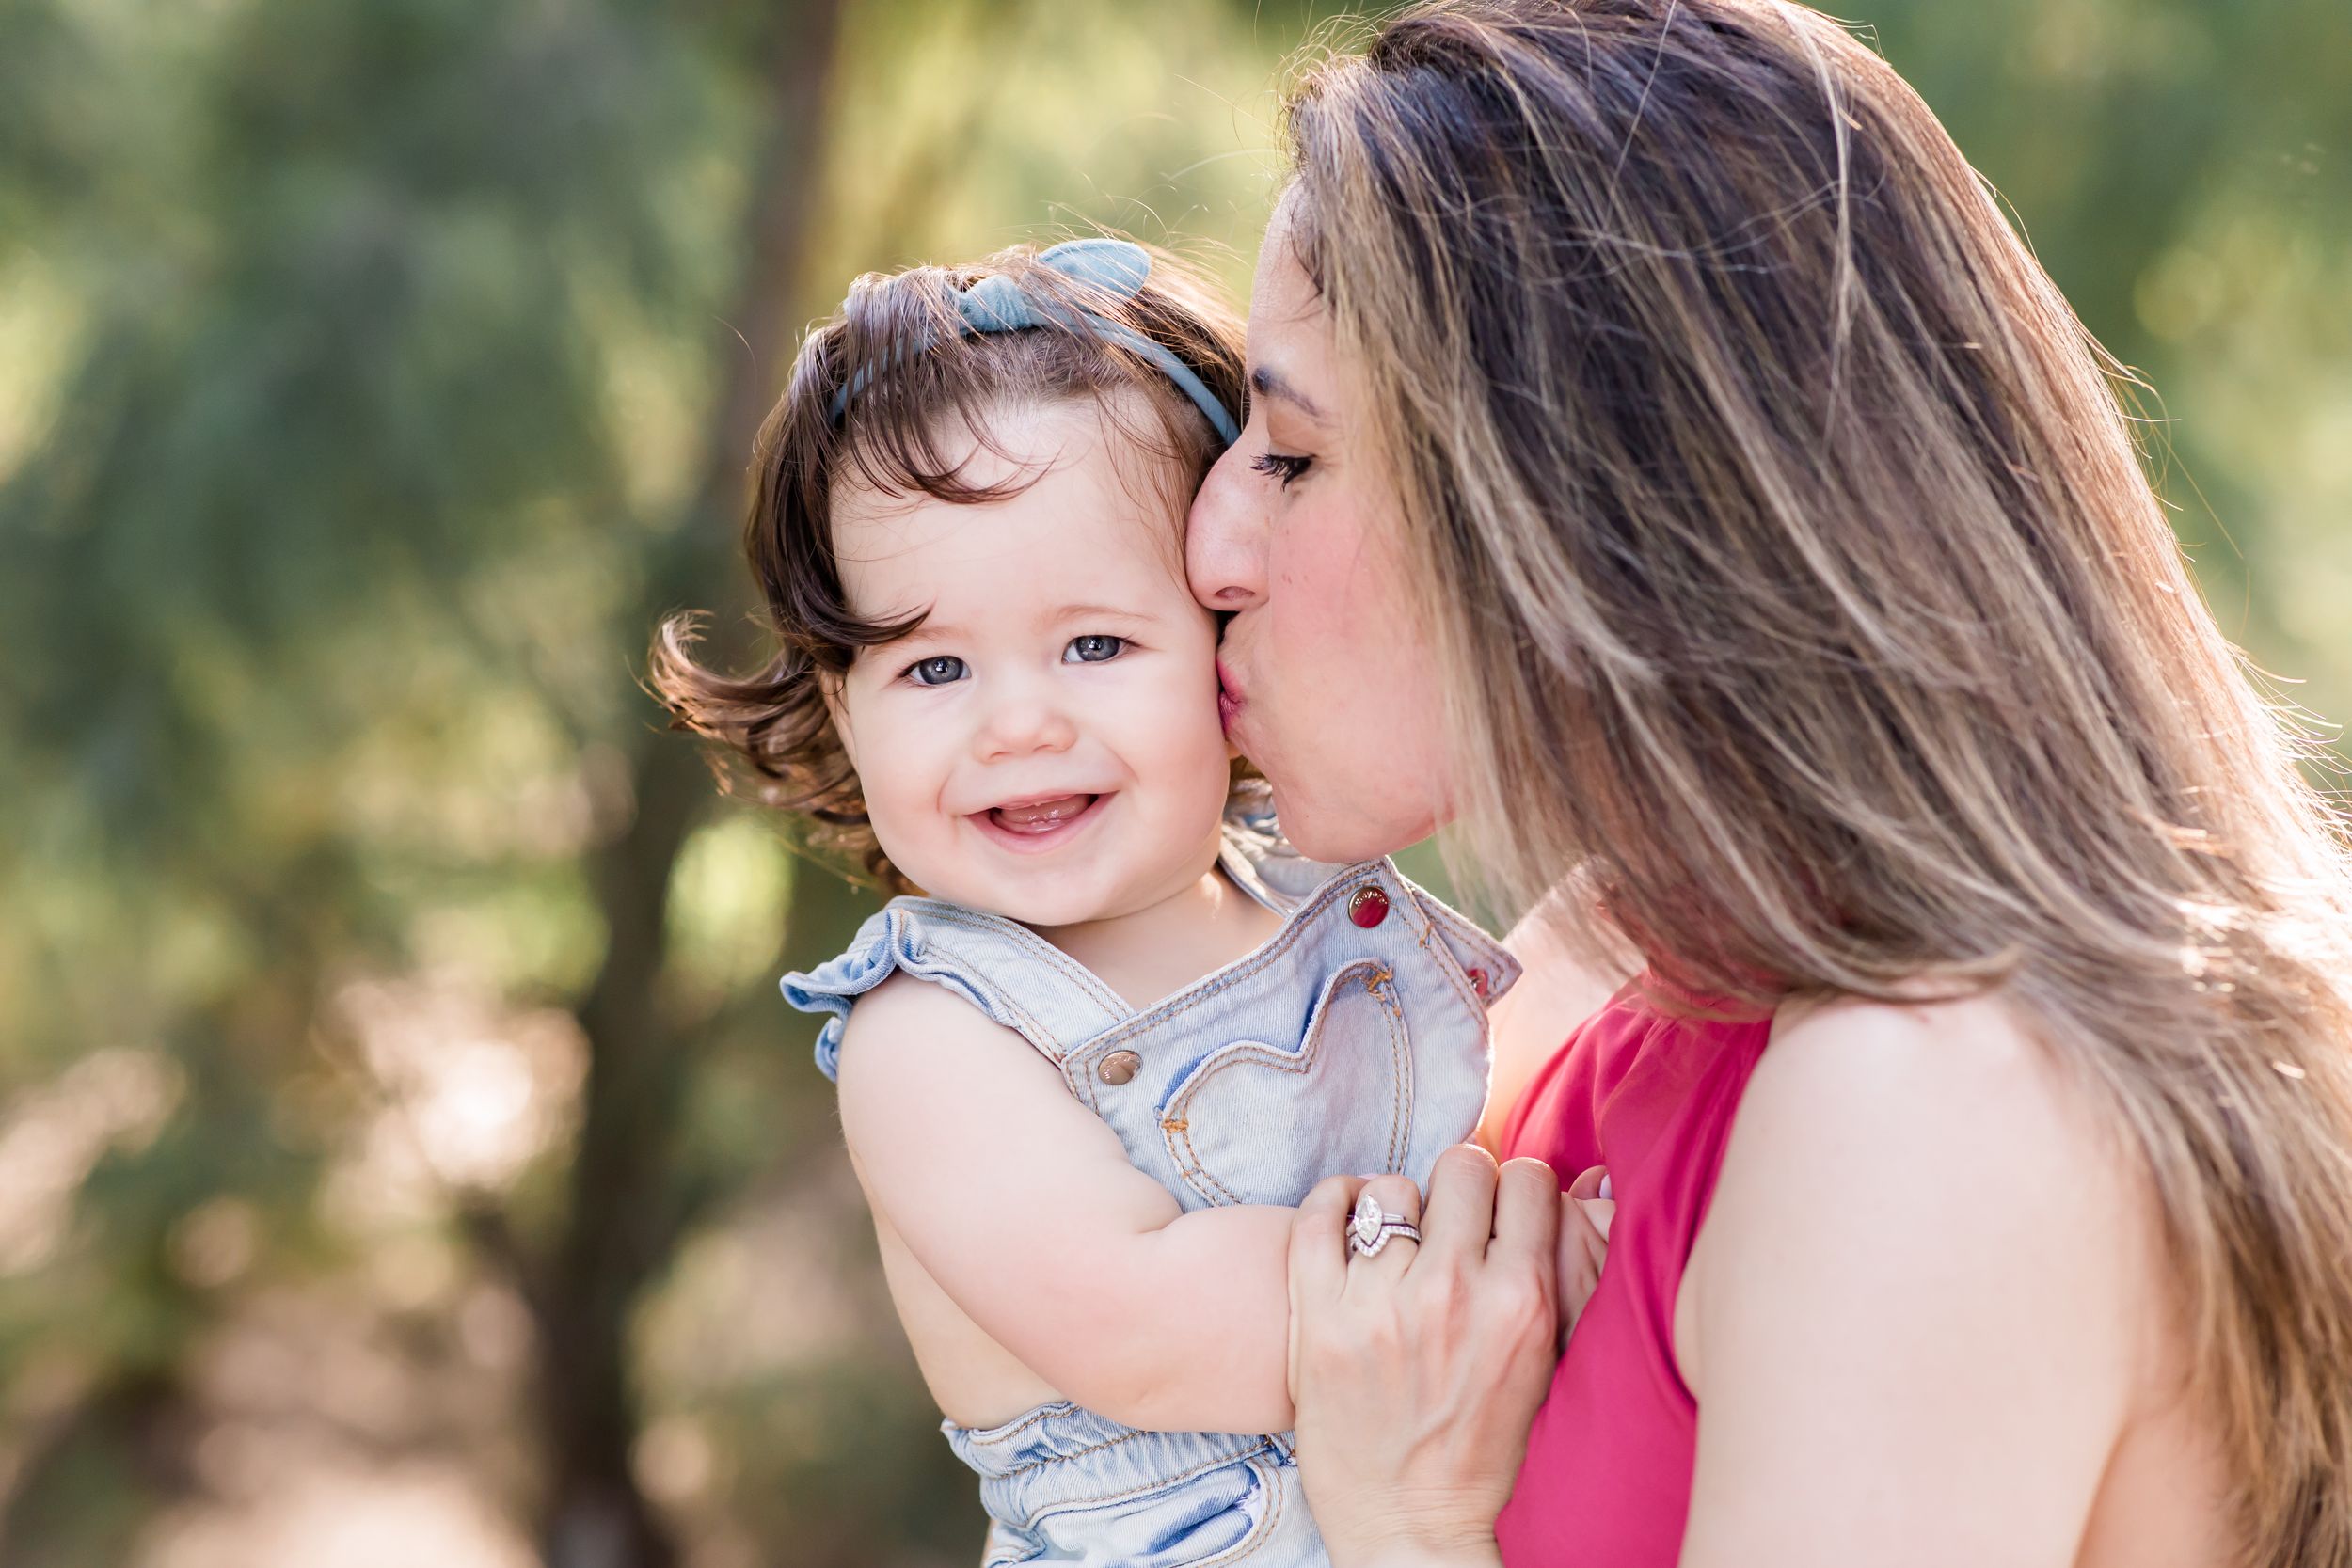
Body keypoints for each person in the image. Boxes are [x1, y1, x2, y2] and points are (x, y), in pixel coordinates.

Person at [1184, 2, 2352, 1565]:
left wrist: (1403, 1517)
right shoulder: (1620, 961)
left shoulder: (1925, 1103)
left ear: (1585, 495)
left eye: (1294, 453)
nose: (1209, 549)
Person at [649, 236, 1602, 1566]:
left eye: (1095, 645)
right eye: (931, 669)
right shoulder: (932, 1035)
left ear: (1225, 643)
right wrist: (1514, 1264)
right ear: (838, 707)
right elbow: (1152, 1330)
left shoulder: (1323, 901)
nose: (1020, 723)